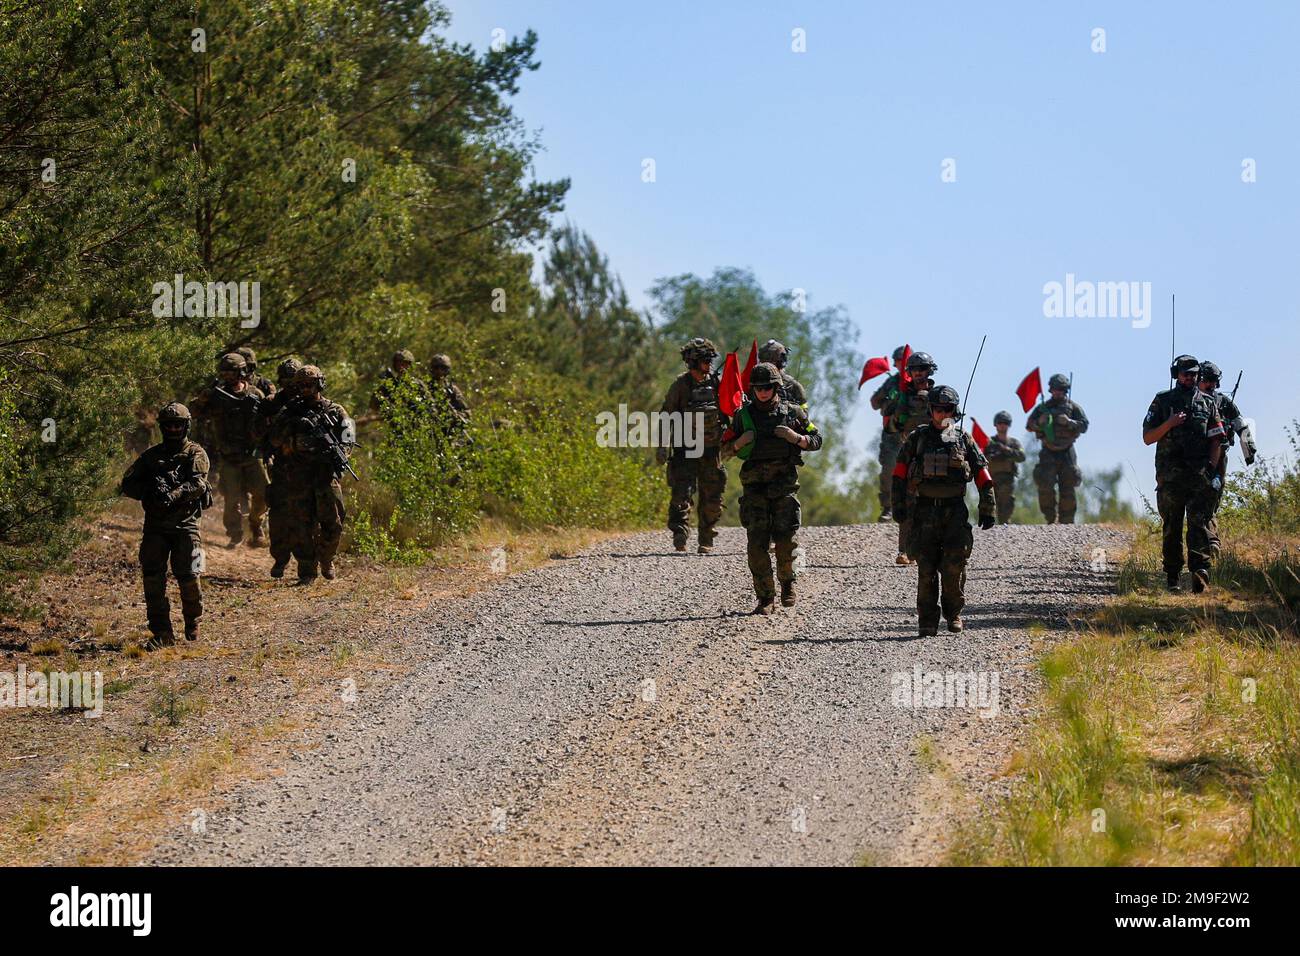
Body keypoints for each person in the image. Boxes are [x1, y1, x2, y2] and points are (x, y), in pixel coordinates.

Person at [891, 386, 995, 637]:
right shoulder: (917, 438)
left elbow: (982, 474)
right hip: (925, 511)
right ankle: (927, 620)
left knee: (954, 566)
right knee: (926, 568)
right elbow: (899, 474)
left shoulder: (963, 438)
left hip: (955, 512)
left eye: (947, 409)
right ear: (931, 410)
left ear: (954, 410)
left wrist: (988, 507)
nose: (942, 413)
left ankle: (953, 613)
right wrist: (899, 506)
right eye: (938, 409)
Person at [722, 363, 822, 614]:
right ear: (752, 389)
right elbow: (720, 455)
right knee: (756, 546)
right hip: (754, 489)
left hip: (784, 488)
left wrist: (796, 438)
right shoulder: (742, 417)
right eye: (758, 388)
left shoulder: (793, 413)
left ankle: (788, 583)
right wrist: (737, 445)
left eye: (767, 387)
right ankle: (765, 599)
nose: (763, 392)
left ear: (776, 387)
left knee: (786, 542)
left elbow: (817, 439)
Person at [119, 403, 212, 646]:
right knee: (152, 579)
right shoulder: (151, 456)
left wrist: (174, 494)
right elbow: (127, 484)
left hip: (187, 527)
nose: (173, 429)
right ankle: (162, 633)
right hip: (155, 528)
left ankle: (193, 620)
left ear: (186, 426)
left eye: (178, 425)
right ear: (162, 427)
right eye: (168, 425)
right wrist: (149, 491)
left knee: (191, 576)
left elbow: (199, 484)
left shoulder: (196, 453)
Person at [1143, 355, 1225, 593]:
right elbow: (1148, 438)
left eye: (1193, 373)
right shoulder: (1163, 401)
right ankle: (1172, 576)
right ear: (1175, 374)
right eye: (1185, 373)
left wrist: (1212, 468)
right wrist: (1168, 424)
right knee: (1172, 527)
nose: (1190, 377)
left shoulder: (1208, 403)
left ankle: (1200, 573)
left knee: (1199, 524)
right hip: (1170, 478)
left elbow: (1217, 438)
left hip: (1199, 477)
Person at [269, 365, 355, 583]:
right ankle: (307, 571)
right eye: (301, 386)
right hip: (298, 477)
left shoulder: (335, 411)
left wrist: (339, 454)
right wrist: (291, 425)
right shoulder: (289, 411)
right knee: (301, 526)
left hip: (325, 475)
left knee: (333, 523)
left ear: (319, 384)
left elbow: (348, 438)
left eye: (310, 384)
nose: (306, 389)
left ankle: (326, 558)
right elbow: (274, 440)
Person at [189, 352, 268, 547]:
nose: (227, 378)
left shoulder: (255, 395)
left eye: (231, 374)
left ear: (241, 372)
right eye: (224, 374)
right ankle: (235, 532)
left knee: (264, 493)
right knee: (231, 498)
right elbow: (193, 413)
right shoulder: (216, 396)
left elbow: (268, 421)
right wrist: (202, 400)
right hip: (229, 455)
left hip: (252, 455)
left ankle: (256, 524)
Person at [657, 337, 728, 553]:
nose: (709, 364)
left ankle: (706, 538)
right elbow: (666, 416)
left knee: (712, 497)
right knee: (681, 494)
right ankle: (680, 534)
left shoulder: (717, 384)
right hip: (684, 449)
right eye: (705, 360)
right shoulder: (681, 385)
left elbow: (731, 413)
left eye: (710, 359)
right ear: (693, 361)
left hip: (711, 450)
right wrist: (662, 446)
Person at [883, 351, 938, 565]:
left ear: (929, 370)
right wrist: (900, 404)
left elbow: (952, 420)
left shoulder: (941, 394)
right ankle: (904, 550)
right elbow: (892, 425)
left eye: (922, 369)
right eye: (914, 369)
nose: (918, 373)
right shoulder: (903, 394)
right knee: (907, 503)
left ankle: (932, 548)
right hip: (911, 455)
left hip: (936, 455)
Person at [1197, 361, 1255, 558]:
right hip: (1192, 459)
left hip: (1219, 459)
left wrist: (1249, 449)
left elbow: (1241, 425)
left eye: (1214, 381)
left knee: (1211, 500)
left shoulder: (1223, 402)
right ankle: (1203, 545)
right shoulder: (1190, 400)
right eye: (1207, 380)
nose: (1212, 385)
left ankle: (1210, 543)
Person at [1026, 373, 1089, 523]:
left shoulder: (1073, 408)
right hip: (1048, 451)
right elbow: (1029, 425)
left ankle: (1066, 523)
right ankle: (1050, 518)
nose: (1057, 392)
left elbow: (1084, 425)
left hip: (1067, 451)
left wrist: (1069, 422)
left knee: (1068, 487)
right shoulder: (1043, 408)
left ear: (1065, 390)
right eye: (1054, 389)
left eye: (1060, 390)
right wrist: (1039, 423)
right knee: (1045, 485)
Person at [262, 358, 302, 578]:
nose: (291, 386)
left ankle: (308, 563)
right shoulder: (271, 402)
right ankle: (280, 559)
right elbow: (259, 433)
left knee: (307, 516)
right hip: (280, 466)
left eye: (295, 381)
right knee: (279, 515)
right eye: (286, 381)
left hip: (307, 469)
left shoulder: (312, 402)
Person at [869, 346, 908, 523]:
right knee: (888, 470)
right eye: (896, 361)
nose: (896, 364)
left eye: (899, 360)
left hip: (912, 435)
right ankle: (888, 507)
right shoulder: (891, 383)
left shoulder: (916, 383)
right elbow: (875, 403)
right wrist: (888, 401)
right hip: (892, 436)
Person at [984, 410, 1026, 524]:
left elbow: (1022, 456)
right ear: (995, 424)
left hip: (1007, 479)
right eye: (1000, 423)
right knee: (989, 504)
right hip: (991, 479)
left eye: (1005, 423)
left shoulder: (1013, 443)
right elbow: (981, 457)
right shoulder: (989, 442)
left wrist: (1007, 450)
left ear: (1009, 425)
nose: (1002, 425)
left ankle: (1004, 526)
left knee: (1006, 504)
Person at [757, 339, 807, 406]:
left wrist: (794, 410)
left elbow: (804, 412)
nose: (768, 367)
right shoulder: (754, 384)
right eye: (764, 363)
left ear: (781, 362)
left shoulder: (792, 385)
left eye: (772, 363)